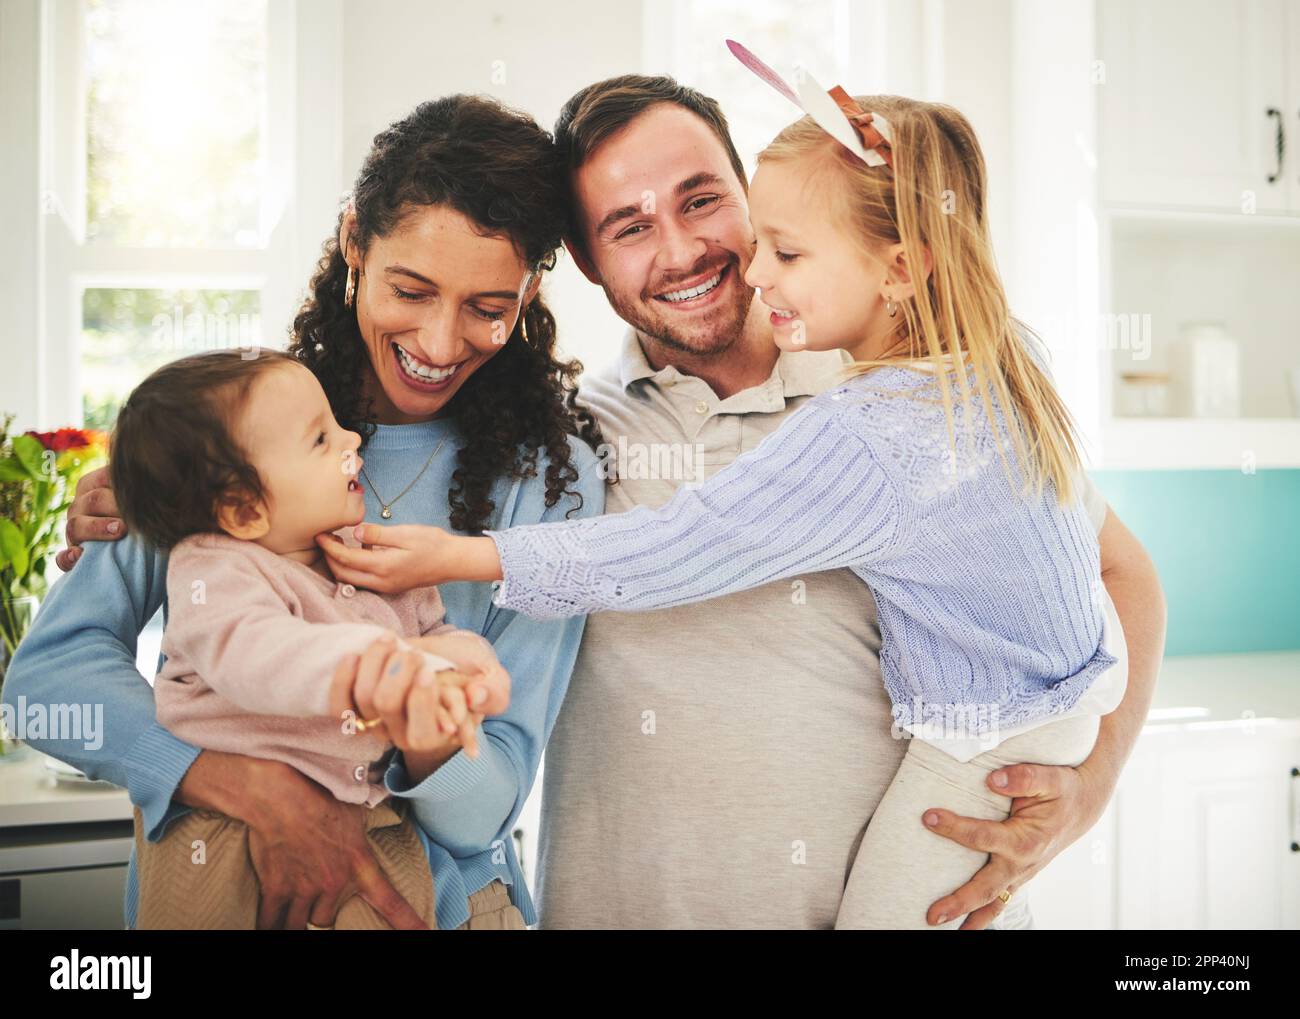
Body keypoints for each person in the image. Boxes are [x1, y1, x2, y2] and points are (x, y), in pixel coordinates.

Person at [318, 87, 1133, 930]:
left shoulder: (907, 391)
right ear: (587, 261)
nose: (680, 249)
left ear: (749, 196)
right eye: (629, 227)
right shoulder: (561, 446)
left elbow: (1113, 573)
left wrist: (1088, 787)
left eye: (701, 200)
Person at [3, 95, 605, 931]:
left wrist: (428, 707)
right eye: (411, 288)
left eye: (488, 308)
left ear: (530, 291)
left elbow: (486, 803)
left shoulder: (550, 478)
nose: (438, 343)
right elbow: (40, 688)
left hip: (442, 906)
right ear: (356, 240)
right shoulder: (228, 427)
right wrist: (241, 781)